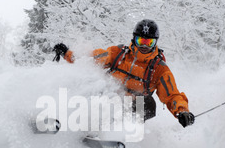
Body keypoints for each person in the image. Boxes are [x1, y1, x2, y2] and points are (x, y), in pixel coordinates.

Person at [53, 19, 195, 127]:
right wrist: (67, 54)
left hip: (134, 105)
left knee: (148, 105)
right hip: (109, 96)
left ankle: (122, 131)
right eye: (141, 41)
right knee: (94, 84)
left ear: (155, 43)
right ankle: (69, 118)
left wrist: (182, 111)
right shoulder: (118, 53)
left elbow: (172, 95)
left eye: (149, 43)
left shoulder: (159, 68)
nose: (144, 46)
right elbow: (90, 60)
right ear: (134, 39)